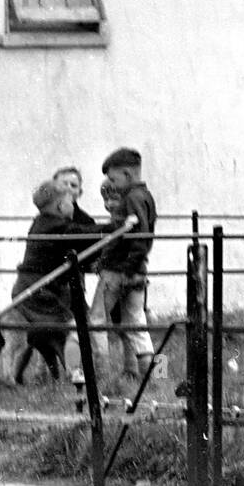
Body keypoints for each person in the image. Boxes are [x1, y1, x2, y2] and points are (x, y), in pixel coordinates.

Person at [0, 179, 99, 386]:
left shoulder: (40, 222)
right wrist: (117, 227)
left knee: (8, 330)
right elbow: (84, 236)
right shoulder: (57, 226)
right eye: (70, 202)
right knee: (71, 328)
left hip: (25, 288)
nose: (73, 206)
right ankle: (75, 374)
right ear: (60, 206)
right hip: (42, 294)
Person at [88, 147, 157, 387]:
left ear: (127, 175)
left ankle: (101, 375)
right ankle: (157, 379)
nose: (113, 185)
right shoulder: (146, 196)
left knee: (96, 320)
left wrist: (125, 267)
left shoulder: (132, 199)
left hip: (119, 271)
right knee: (138, 324)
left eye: (114, 179)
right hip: (136, 271)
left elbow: (138, 238)